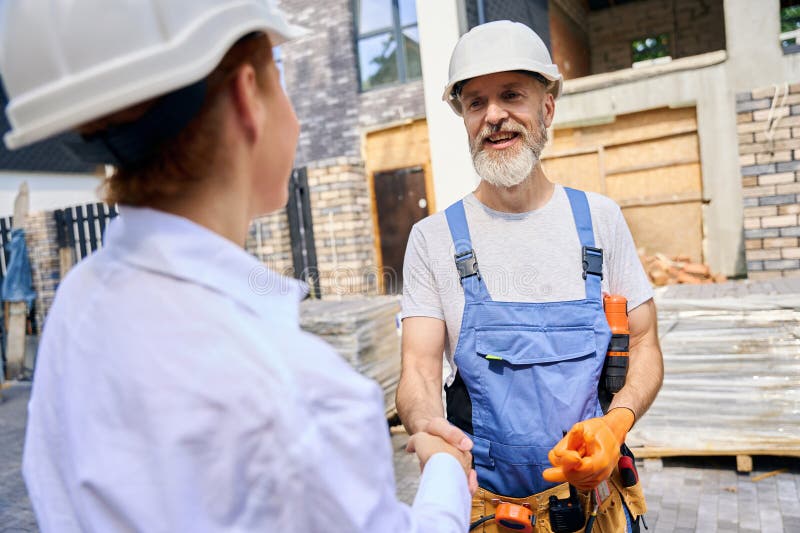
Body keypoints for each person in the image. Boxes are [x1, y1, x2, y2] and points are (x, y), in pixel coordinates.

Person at [2, 1, 475, 531]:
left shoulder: (77, 305)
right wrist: (446, 474)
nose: (295, 116)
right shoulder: (297, 393)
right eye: (280, 78)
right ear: (248, 97)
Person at [396, 20, 664, 532]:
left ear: (547, 108)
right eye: (475, 102)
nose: (493, 115)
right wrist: (429, 429)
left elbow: (644, 342)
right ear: (464, 118)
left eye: (511, 95)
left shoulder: (600, 221)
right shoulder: (433, 239)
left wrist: (617, 423)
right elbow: (419, 369)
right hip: (494, 516)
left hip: (596, 511)